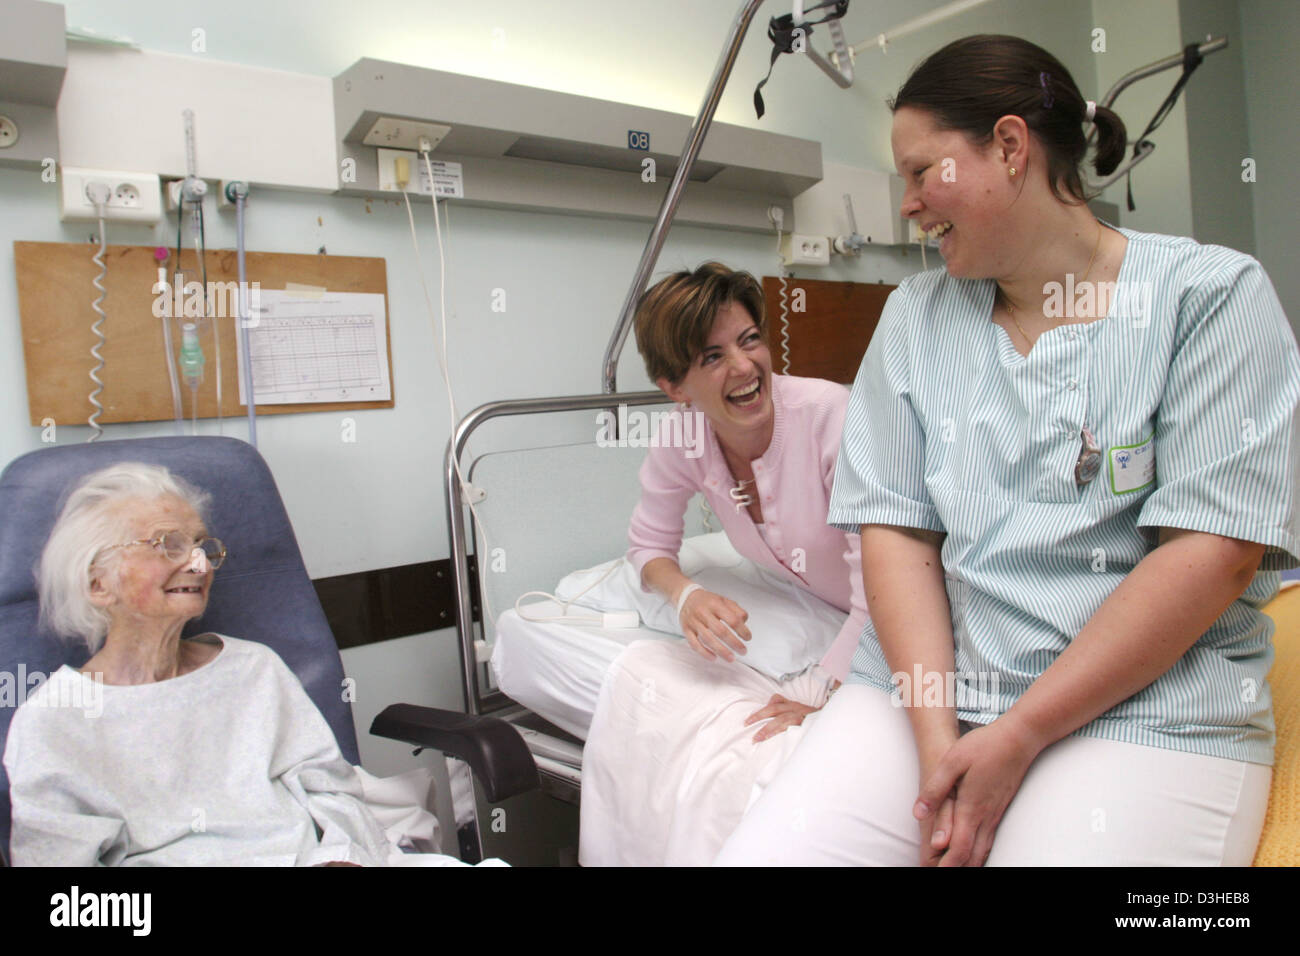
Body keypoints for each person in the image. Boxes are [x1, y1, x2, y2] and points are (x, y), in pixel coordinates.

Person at [716, 34, 1299, 867]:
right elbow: (897, 534)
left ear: (1011, 146)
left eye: (922, 172)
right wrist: (936, 750)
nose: (909, 203)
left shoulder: (1209, 298)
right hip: (926, 687)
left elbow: (1214, 555)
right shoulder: (915, 318)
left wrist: (1018, 735)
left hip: (1148, 703)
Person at [5, 463, 447, 866]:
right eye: (168, 545)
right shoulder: (55, 722)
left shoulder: (254, 669)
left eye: (201, 545)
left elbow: (335, 791)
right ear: (97, 582)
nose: (198, 563)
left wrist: (342, 856)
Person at [578, 262, 869, 866]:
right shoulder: (684, 437)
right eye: (711, 357)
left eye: (750, 340)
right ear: (675, 388)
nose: (742, 367)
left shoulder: (829, 419)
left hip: (928, 602)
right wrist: (683, 595)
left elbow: (886, 586)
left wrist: (822, 685)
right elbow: (648, 547)